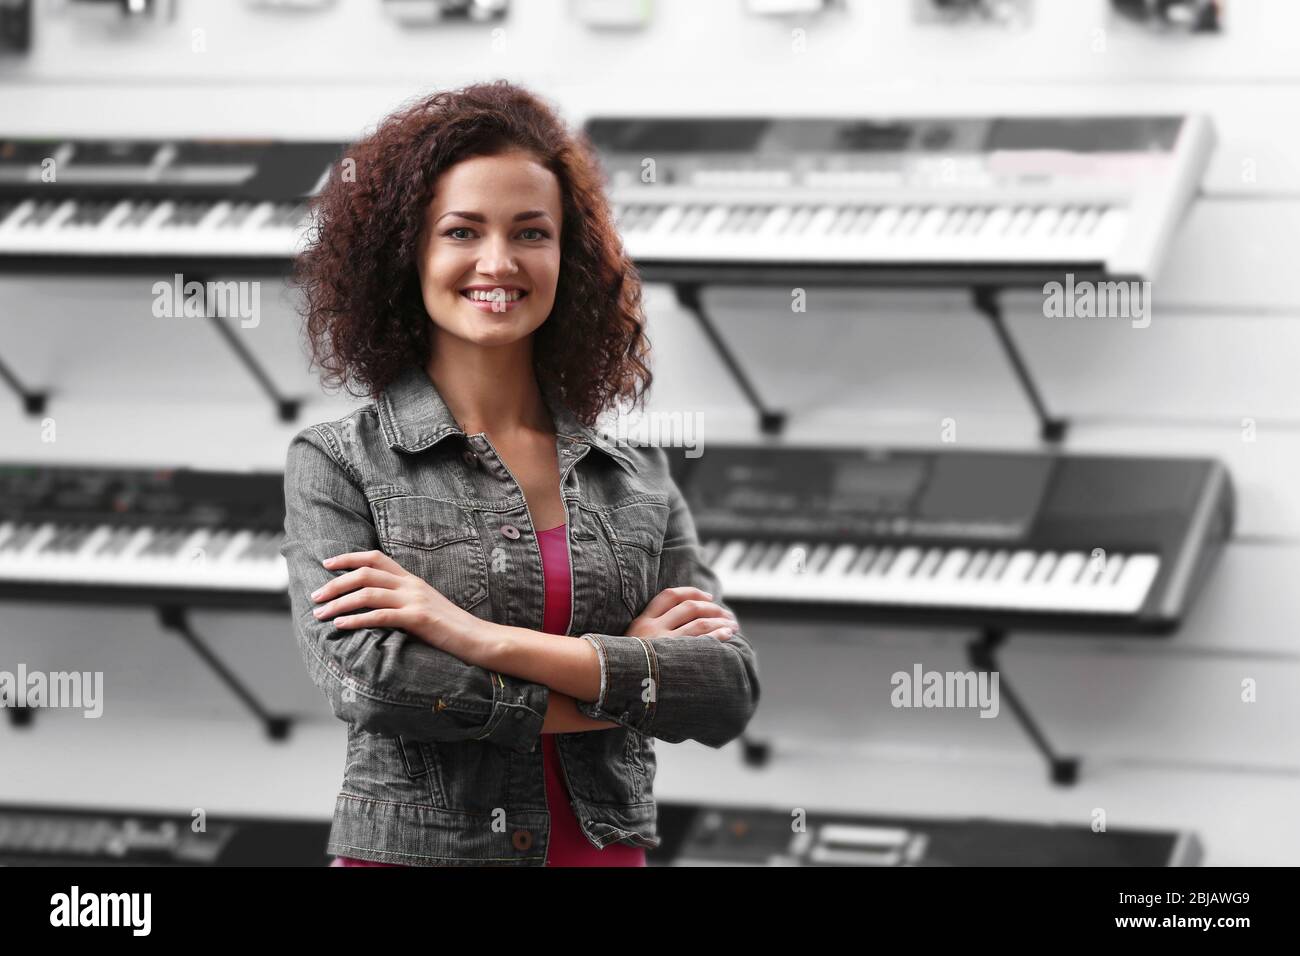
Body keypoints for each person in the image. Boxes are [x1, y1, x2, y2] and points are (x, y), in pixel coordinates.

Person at [282, 80, 760, 866]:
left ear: (566, 255)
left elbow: (722, 689)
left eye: (531, 233)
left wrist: (469, 634)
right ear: (410, 251)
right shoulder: (337, 464)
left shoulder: (635, 475)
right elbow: (373, 687)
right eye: (462, 231)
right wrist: (622, 680)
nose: (498, 263)